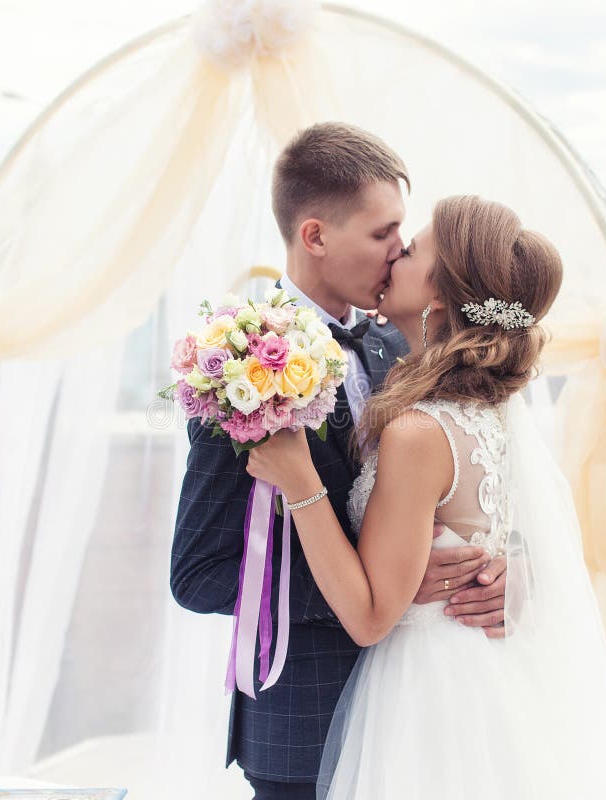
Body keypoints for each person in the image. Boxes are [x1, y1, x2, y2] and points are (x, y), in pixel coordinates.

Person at [246, 193, 606, 798]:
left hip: (428, 701)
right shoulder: (492, 407)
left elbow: (372, 616)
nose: (391, 258)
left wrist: (301, 482)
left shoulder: (418, 432)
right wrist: (500, 565)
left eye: (408, 251)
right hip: (488, 685)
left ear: (438, 294)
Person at [171, 124, 509, 800]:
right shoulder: (237, 365)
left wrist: (500, 565)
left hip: (417, 717)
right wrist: (381, 579)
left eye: (403, 235)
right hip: (304, 727)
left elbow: (461, 481)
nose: (398, 251)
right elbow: (197, 574)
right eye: (383, 233)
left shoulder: (403, 343)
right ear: (317, 236)